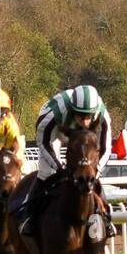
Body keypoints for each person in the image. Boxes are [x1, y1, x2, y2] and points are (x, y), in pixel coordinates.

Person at [13, 84, 113, 239]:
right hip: (58, 133)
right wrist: (60, 169)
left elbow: (105, 149)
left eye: (88, 117)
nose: (84, 122)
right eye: (80, 116)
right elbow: (45, 143)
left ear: (94, 114)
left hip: (86, 140)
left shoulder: (102, 116)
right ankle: (29, 217)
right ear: (72, 110)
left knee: (92, 176)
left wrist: (95, 170)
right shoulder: (53, 114)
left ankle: (106, 218)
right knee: (47, 172)